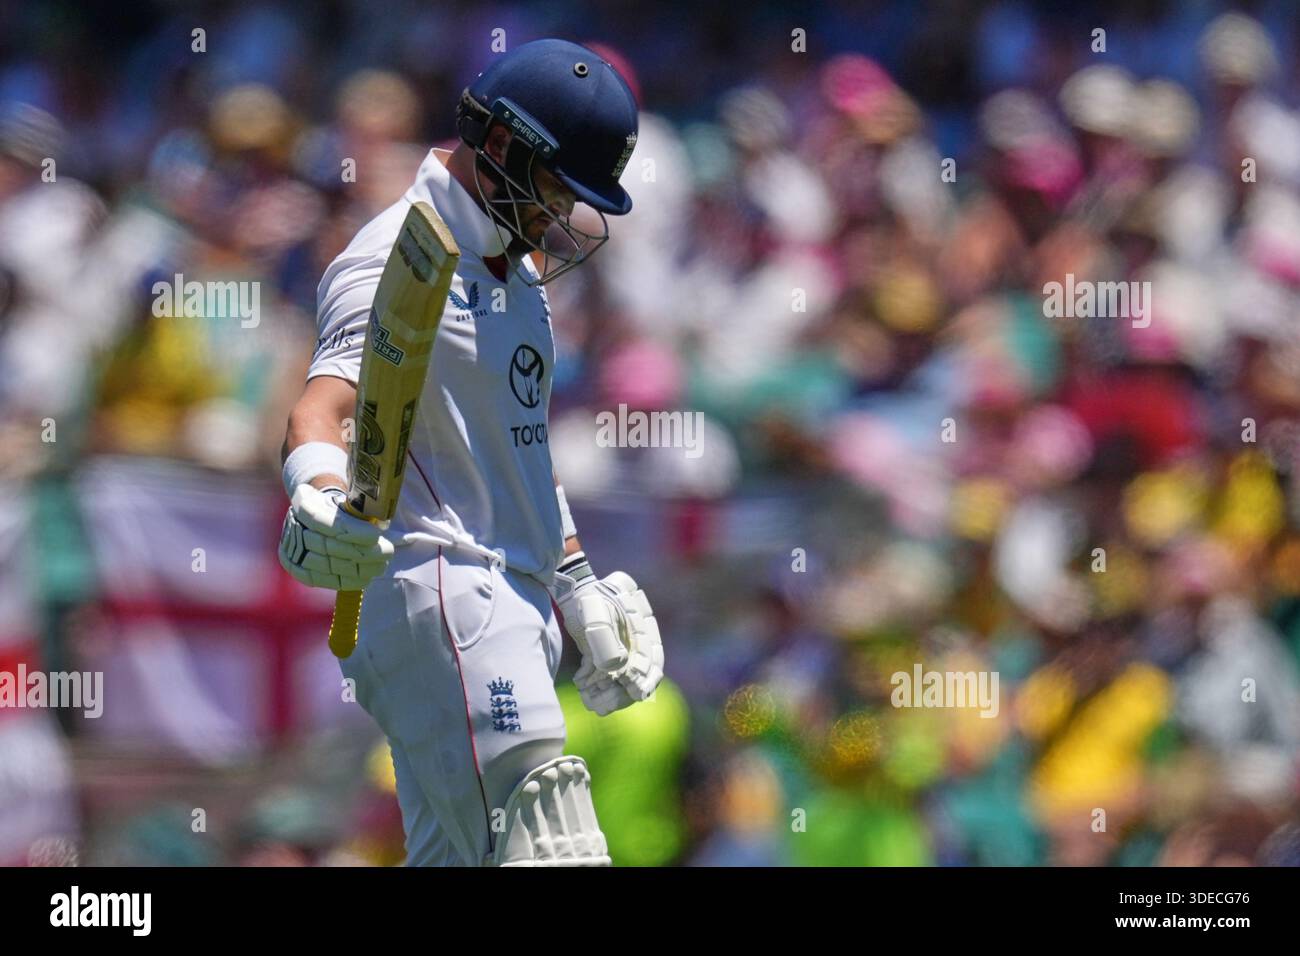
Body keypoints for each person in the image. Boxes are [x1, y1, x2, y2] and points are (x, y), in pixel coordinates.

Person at [276, 39, 664, 867]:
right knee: (550, 852)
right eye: (556, 185)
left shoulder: (515, 273)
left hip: (503, 599)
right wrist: (315, 492)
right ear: (499, 146)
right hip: (445, 590)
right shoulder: (398, 255)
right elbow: (322, 410)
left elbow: (515, 446)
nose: (562, 214)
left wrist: (576, 584)